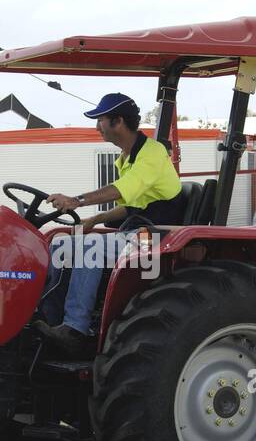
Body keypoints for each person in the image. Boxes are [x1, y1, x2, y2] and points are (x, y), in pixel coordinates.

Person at [34, 93, 182, 356]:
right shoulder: (127, 157)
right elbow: (133, 203)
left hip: (159, 236)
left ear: (118, 122)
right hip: (138, 228)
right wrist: (95, 219)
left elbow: (123, 189)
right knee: (62, 244)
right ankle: (51, 317)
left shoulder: (152, 153)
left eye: (100, 120)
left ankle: (75, 329)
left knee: (89, 247)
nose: (96, 127)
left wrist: (77, 201)